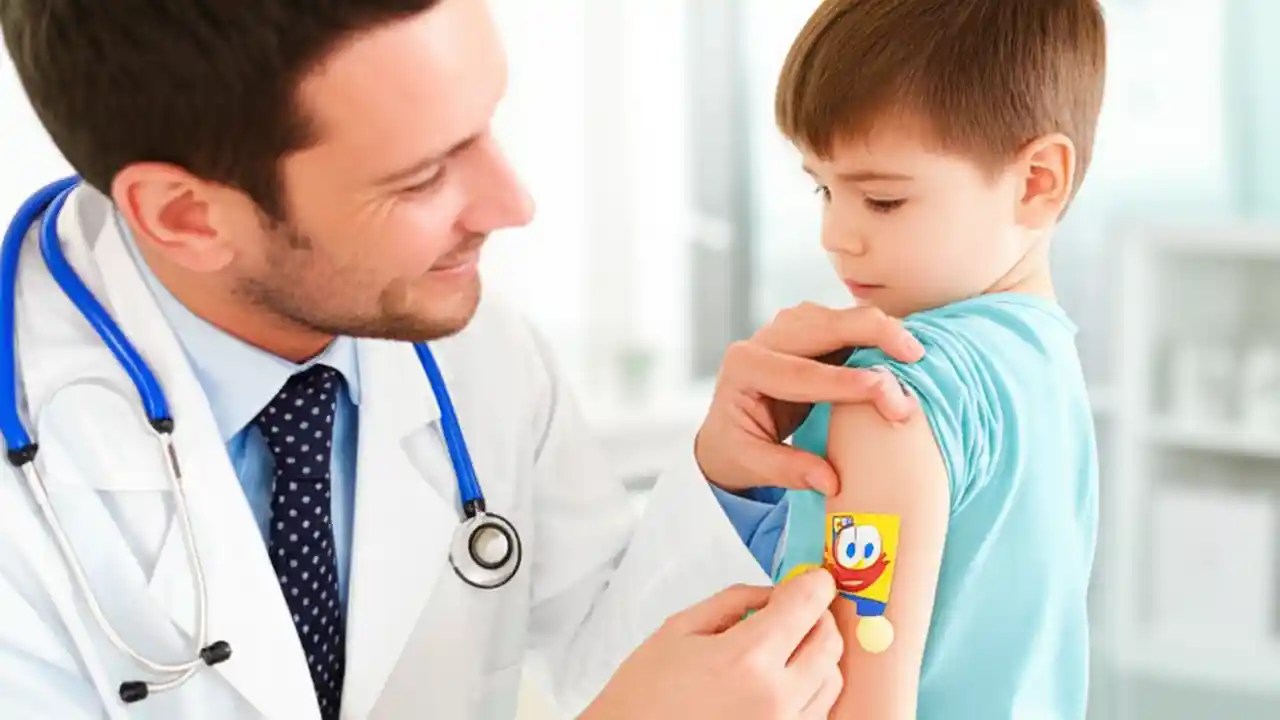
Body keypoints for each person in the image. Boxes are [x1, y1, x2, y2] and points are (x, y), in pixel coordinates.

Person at [0, 1, 924, 719]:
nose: (513, 202)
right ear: (186, 216)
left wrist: (725, 476)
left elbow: (609, 655)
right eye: (423, 176)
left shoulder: (472, 350)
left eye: (486, 125)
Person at [767, 0, 1105, 718]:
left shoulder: (892, 395)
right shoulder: (1049, 364)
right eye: (823, 188)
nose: (835, 235)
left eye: (883, 201)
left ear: (1037, 181)